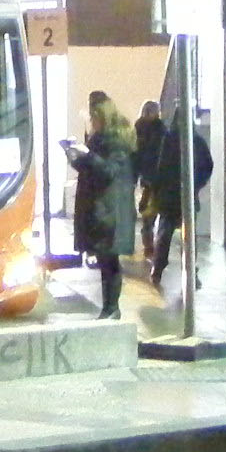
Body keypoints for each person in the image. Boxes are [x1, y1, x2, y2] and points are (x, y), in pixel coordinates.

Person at [64, 90, 137, 318]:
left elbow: (108, 171)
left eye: (93, 118)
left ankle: (112, 308)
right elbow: (93, 170)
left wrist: (88, 155)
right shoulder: (100, 139)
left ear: (101, 117)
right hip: (102, 208)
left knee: (109, 260)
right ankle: (109, 308)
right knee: (105, 260)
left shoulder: (116, 142)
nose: (91, 122)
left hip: (111, 210)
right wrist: (75, 158)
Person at [148, 110, 215, 292]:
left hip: (169, 196)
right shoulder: (196, 140)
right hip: (187, 195)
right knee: (189, 237)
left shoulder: (169, 139)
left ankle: (158, 269)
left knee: (164, 235)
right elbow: (208, 165)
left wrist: (156, 190)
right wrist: (197, 183)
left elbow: (160, 167)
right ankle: (191, 271)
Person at [132, 99, 167, 268]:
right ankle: (152, 248)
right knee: (153, 214)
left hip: (147, 178)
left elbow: (136, 154)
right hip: (156, 178)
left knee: (148, 213)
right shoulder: (161, 130)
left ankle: (149, 247)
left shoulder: (138, 129)